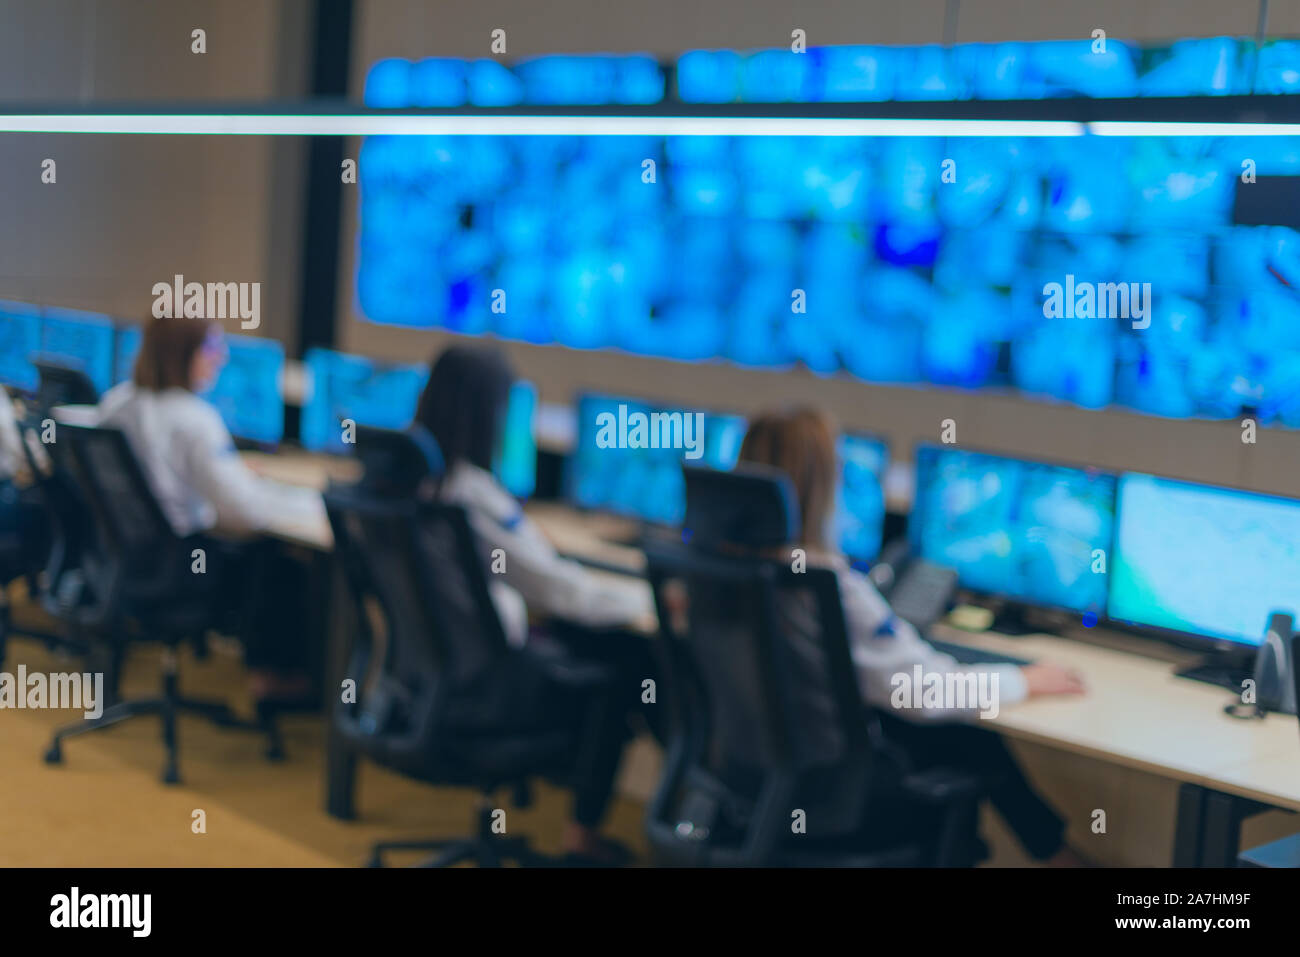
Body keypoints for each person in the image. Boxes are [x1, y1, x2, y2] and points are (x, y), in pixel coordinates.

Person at [737, 406, 1089, 866]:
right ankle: (1062, 859)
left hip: (751, 785)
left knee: (965, 738)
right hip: (837, 799)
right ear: (823, 484)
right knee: (968, 739)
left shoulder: (715, 569)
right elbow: (922, 692)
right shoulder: (826, 585)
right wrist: (1024, 680)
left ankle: (1060, 858)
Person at [412, 343, 655, 865]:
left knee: (585, 642)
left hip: (436, 679)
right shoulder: (473, 495)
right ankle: (581, 838)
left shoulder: (410, 484)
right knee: (623, 662)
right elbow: (558, 589)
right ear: (489, 413)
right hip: (489, 685)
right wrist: (644, 603)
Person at [95, 315, 323, 706]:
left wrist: (229, 472)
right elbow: (246, 515)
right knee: (283, 559)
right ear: (184, 354)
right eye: (213, 349)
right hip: (186, 568)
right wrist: (271, 490)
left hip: (128, 561)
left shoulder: (118, 401)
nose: (221, 358)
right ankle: (275, 681)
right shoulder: (194, 419)